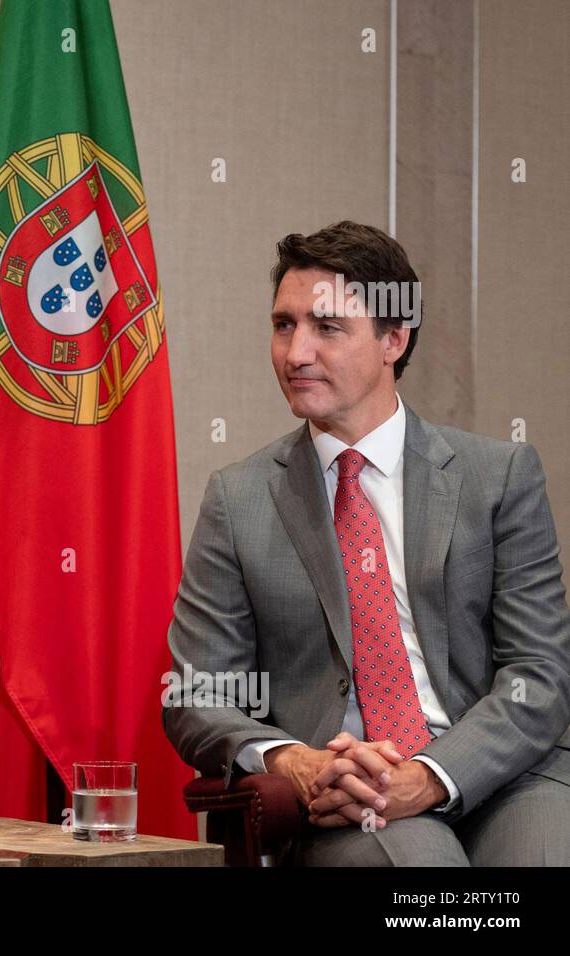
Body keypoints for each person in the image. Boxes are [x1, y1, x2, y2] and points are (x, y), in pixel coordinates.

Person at [163, 221, 570, 865]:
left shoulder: (498, 477)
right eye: (283, 324)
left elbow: (541, 673)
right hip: (346, 793)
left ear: (393, 338)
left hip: (502, 777)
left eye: (327, 328)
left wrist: (431, 774)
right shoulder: (238, 499)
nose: (296, 353)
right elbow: (197, 695)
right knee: (420, 874)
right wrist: (293, 760)